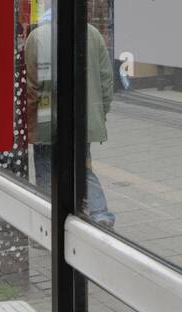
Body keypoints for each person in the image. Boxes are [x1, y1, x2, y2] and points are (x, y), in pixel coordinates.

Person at [25, 15, 115, 227]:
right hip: (83, 119)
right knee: (83, 167)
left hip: (48, 121)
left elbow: (33, 87)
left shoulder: (36, 36)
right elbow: (106, 81)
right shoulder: (92, 33)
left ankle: (48, 221)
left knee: (47, 169)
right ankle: (99, 213)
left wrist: (32, 123)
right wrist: (99, 114)